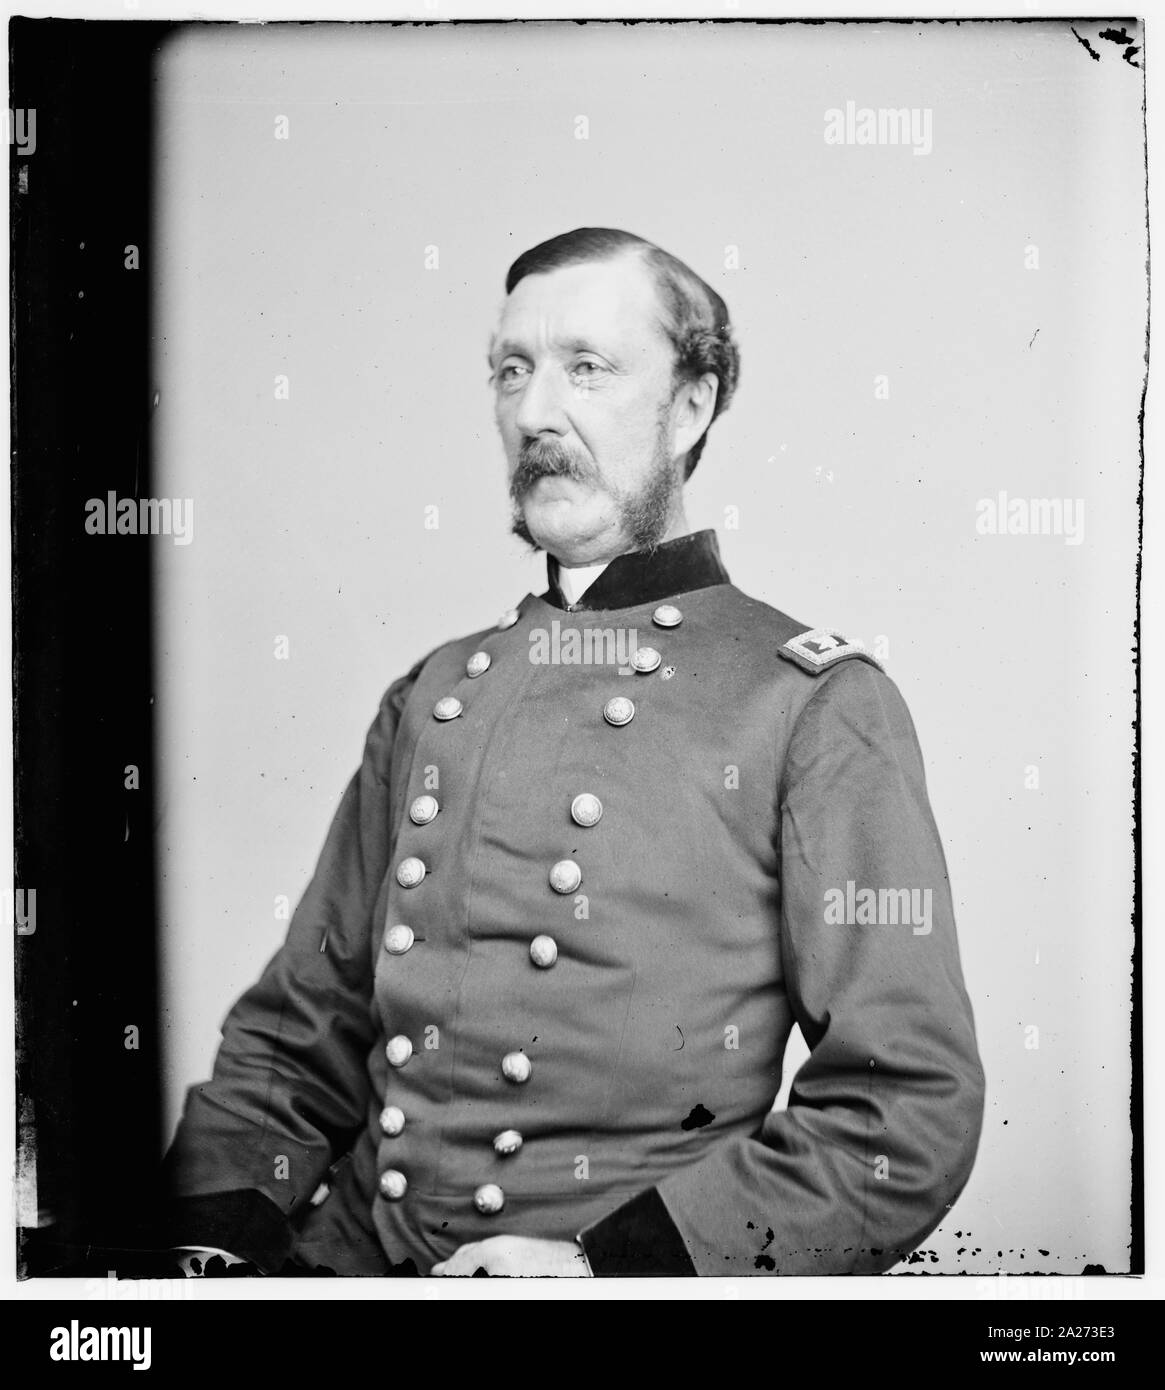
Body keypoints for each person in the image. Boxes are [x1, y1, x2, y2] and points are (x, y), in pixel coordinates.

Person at [163, 227, 985, 1277]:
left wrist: (606, 1267)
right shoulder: (434, 691)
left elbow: (902, 1110)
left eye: (586, 369)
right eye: (513, 370)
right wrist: (209, 1229)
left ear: (690, 406)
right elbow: (296, 1036)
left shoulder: (811, 704)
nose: (535, 413)